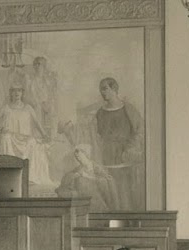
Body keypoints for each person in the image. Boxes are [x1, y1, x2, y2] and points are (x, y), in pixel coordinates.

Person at [90, 76, 143, 208]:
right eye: (101, 90)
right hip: (107, 157)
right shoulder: (100, 113)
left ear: (114, 89)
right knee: (110, 193)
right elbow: (97, 136)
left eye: (105, 89)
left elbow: (140, 130)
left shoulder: (128, 109)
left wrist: (131, 147)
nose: (102, 92)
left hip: (125, 156)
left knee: (124, 192)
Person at [0, 81, 53, 185]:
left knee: (32, 141)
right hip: (11, 137)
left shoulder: (28, 108)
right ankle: (9, 175)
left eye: (19, 91)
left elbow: (37, 124)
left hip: (25, 138)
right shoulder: (6, 108)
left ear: (22, 93)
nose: (16, 93)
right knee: (6, 138)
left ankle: (29, 177)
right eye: (14, 91)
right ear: (11, 93)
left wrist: (45, 135)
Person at [54, 142, 117, 211]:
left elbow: (105, 180)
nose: (78, 158)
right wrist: (75, 175)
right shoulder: (78, 168)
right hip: (84, 195)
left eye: (79, 155)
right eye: (76, 157)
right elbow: (68, 177)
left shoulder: (96, 167)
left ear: (86, 154)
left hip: (96, 195)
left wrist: (87, 176)